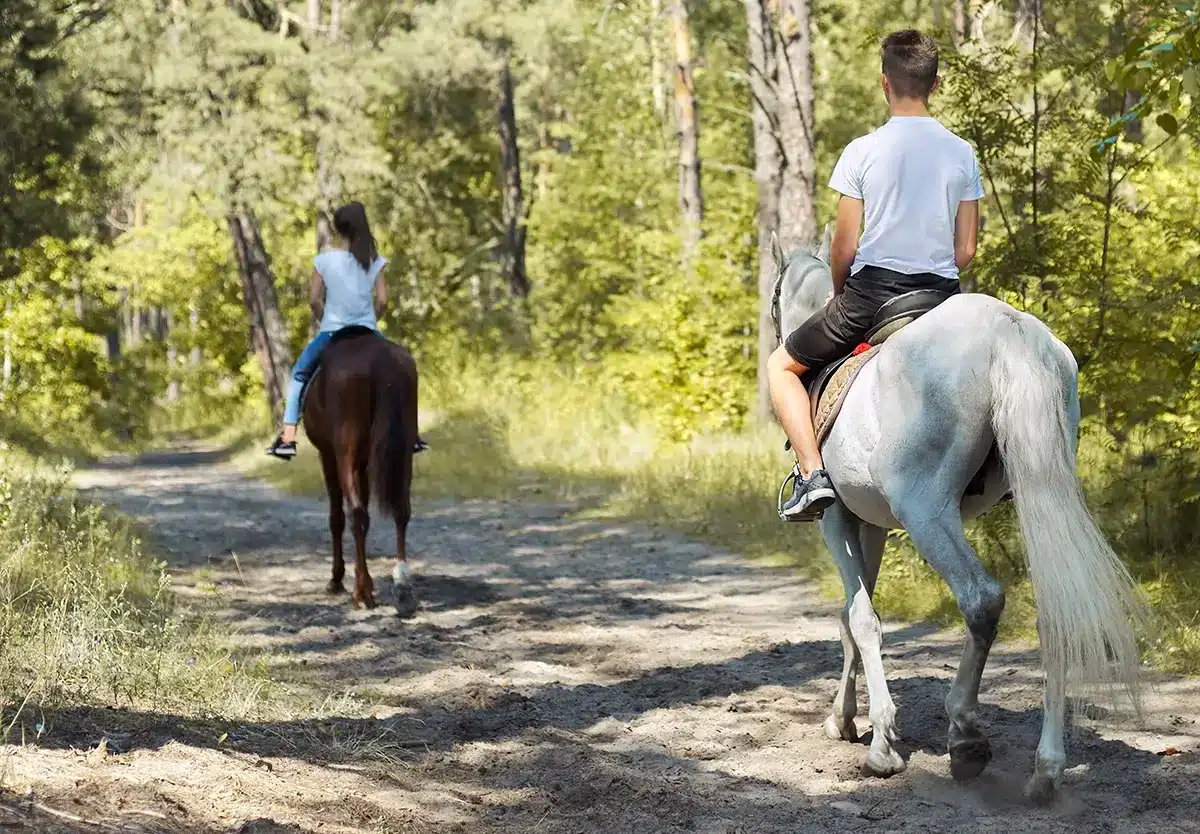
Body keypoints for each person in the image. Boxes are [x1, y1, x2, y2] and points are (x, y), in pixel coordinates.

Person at [769, 29, 983, 520]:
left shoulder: (862, 151)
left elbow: (842, 248)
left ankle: (811, 476)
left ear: (884, 83)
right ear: (937, 83)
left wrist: (841, 295)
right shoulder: (962, 152)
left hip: (872, 295)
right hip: (942, 298)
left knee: (779, 368)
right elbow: (967, 250)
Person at [267, 201, 428, 459]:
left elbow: (314, 300)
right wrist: (370, 319)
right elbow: (383, 300)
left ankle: (287, 439)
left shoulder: (324, 260)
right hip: (368, 330)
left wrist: (324, 318)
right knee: (401, 368)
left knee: (298, 376)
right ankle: (413, 434)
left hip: (332, 331)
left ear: (338, 230)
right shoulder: (373, 260)